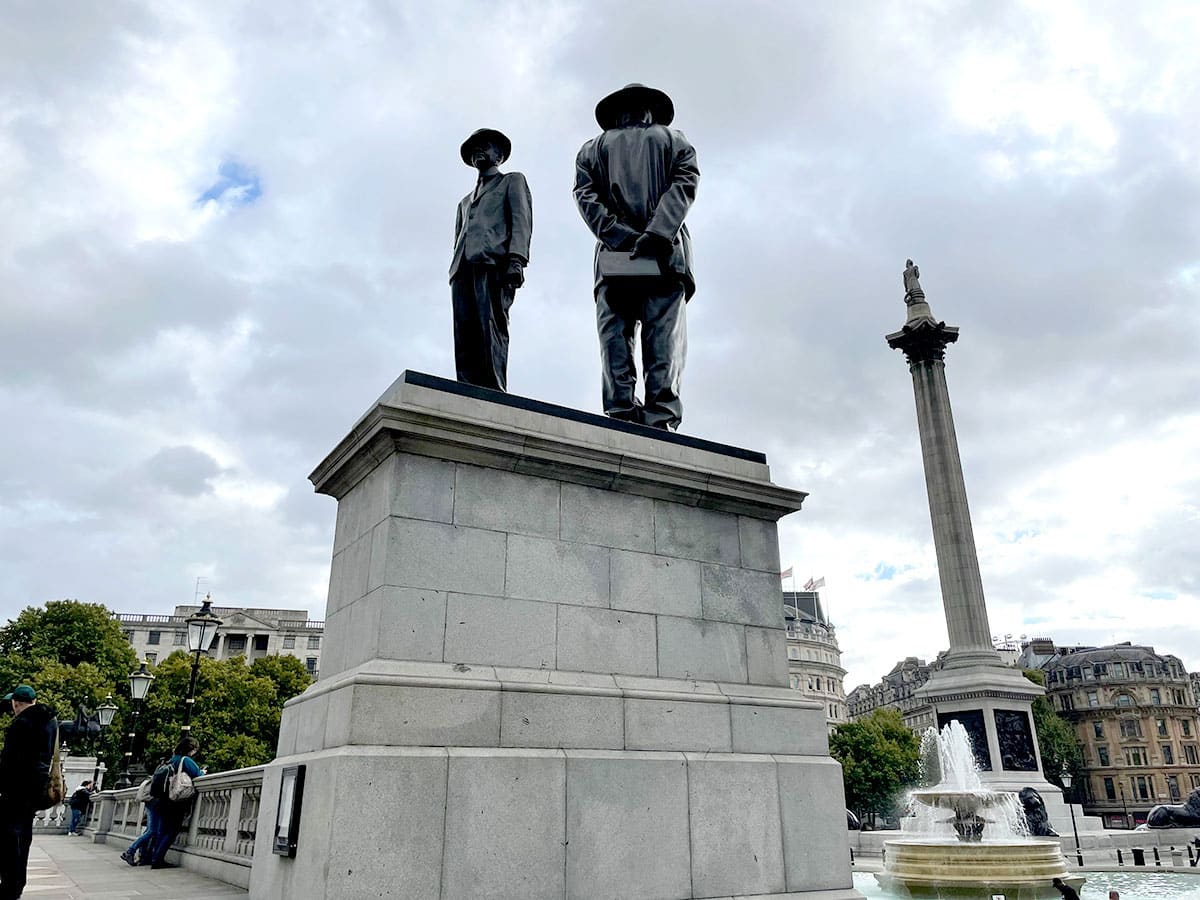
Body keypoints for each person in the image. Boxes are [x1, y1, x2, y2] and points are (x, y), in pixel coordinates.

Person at [573, 83, 700, 431]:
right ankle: (661, 418)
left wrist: (620, 237)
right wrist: (656, 234)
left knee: (614, 338)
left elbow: (585, 197)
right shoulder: (675, 140)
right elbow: (685, 184)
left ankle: (621, 413)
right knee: (664, 340)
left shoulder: (591, 150)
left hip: (613, 261)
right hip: (666, 255)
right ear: (650, 110)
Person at [449, 127, 533, 392]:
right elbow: (458, 237)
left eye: (486, 146)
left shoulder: (511, 181)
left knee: (491, 327)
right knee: (464, 333)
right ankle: (466, 388)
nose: (480, 151)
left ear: (499, 154)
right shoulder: (463, 202)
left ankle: (493, 389)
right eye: (475, 148)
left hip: (493, 265)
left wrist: (516, 260)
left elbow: (521, 222)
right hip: (462, 269)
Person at [0, 685, 58, 900]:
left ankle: (9, 887)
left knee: (9, 839)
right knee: (23, 837)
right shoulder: (50, 722)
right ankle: (17, 885)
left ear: (16, 702)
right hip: (35, 790)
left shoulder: (22, 724)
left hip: (15, 790)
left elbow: (9, 762)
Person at [146, 736, 203, 869]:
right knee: (172, 831)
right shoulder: (186, 760)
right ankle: (158, 859)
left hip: (162, 799)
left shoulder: (170, 760)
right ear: (191, 749)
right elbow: (198, 775)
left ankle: (154, 857)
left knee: (162, 831)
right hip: (175, 800)